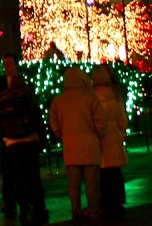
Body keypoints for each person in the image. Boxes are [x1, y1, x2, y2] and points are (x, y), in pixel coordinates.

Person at [0, 67, 48, 225]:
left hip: (11, 142)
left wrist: (3, 138)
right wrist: (40, 138)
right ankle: (38, 205)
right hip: (29, 140)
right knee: (33, 176)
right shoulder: (27, 97)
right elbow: (37, 119)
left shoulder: (1, 98)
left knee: (18, 176)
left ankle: (22, 206)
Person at [48, 66, 103, 220]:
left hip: (70, 147)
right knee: (92, 183)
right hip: (90, 145)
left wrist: (62, 135)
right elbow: (100, 122)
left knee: (74, 184)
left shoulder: (59, 100)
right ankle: (93, 209)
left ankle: (75, 208)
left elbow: (53, 121)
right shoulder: (90, 97)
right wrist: (99, 135)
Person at [92, 64, 128, 219]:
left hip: (99, 137)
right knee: (115, 170)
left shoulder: (91, 96)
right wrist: (121, 131)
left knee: (102, 171)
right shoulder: (115, 94)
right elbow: (122, 117)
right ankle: (118, 200)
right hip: (114, 134)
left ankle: (105, 202)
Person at [0, 56, 21, 217]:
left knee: (21, 171)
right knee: (8, 171)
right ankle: (9, 202)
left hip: (20, 134)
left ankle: (22, 200)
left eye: (10, 63)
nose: (7, 66)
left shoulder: (22, 81)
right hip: (6, 133)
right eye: (5, 64)